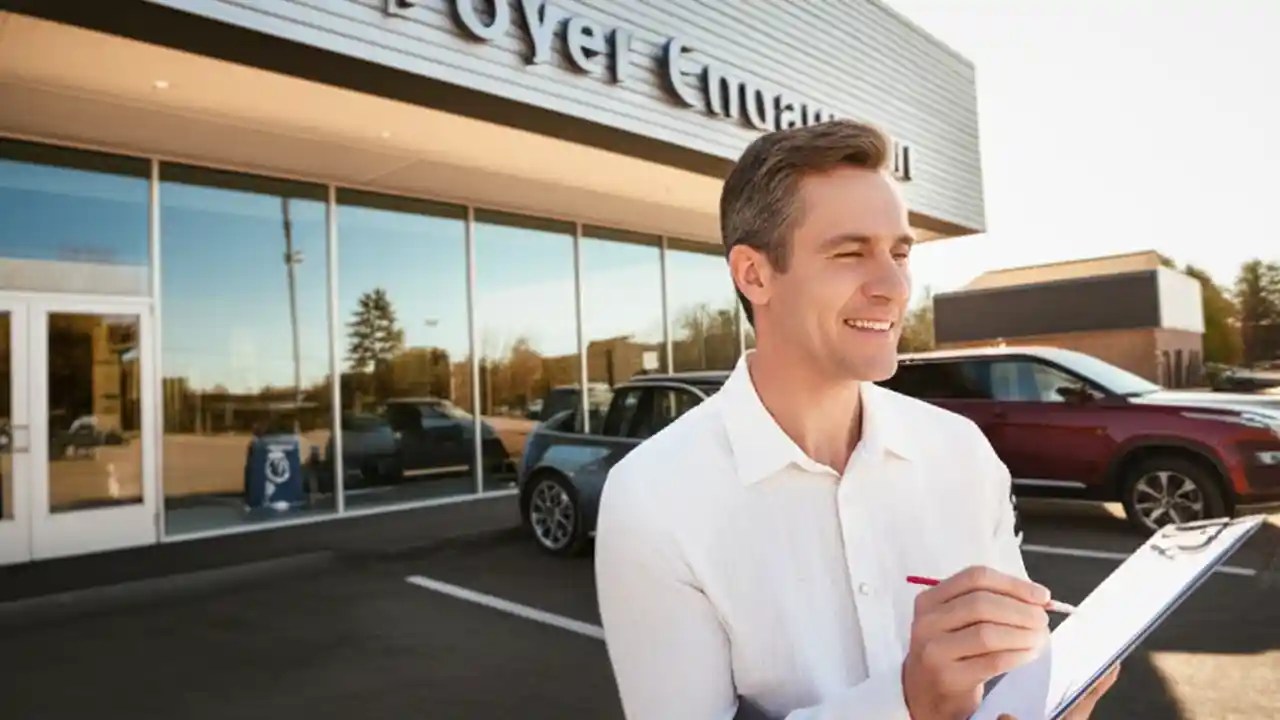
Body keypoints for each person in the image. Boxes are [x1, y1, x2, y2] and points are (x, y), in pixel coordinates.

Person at [594, 120, 1118, 720]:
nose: (894, 286)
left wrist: (1049, 702)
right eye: (850, 253)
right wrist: (907, 702)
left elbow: (1009, 675)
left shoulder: (961, 452)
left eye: (899, 253)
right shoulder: (654, 497)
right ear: (754, 275)